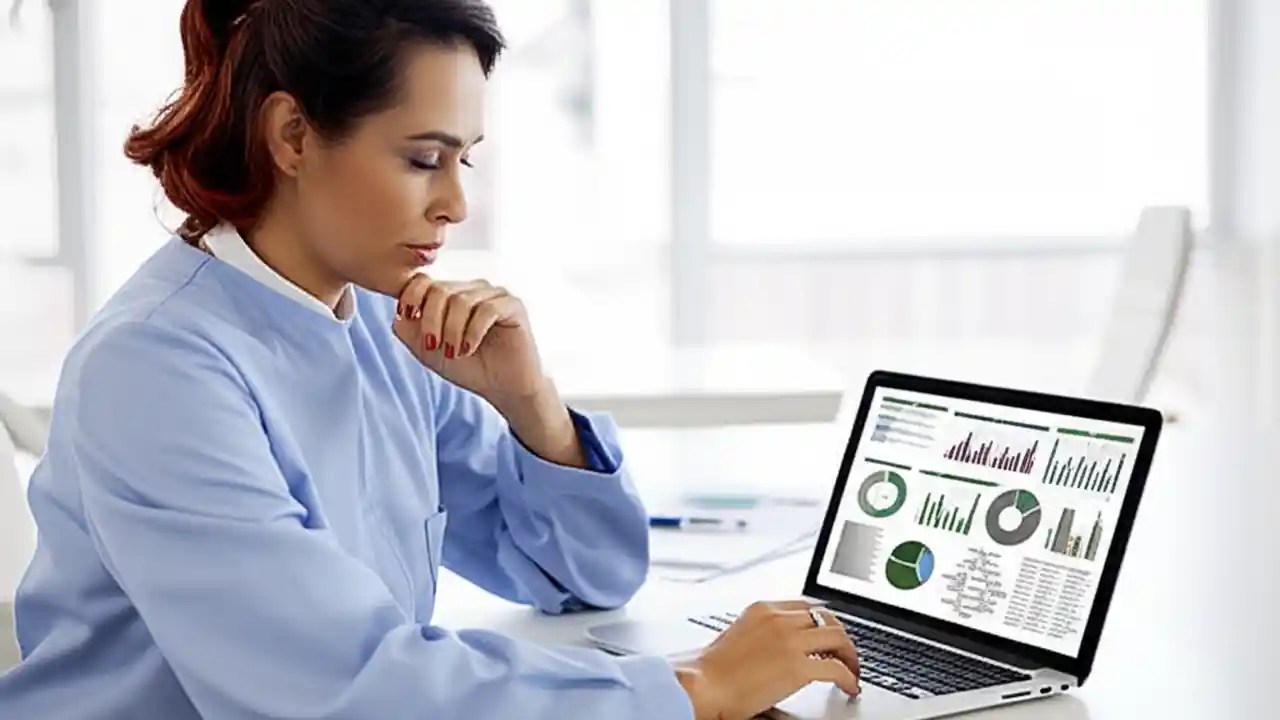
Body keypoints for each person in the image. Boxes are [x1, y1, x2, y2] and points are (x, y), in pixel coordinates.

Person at [0, 1, 861, 718]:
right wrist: (694, 686)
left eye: (464, 161)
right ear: (293, 135)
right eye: (423, 159)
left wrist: (534, 409)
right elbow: (343, 684)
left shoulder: (378, 325)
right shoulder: (156, 371)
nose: (454, 203)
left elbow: (584, 577)